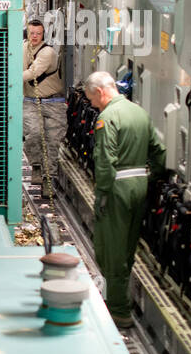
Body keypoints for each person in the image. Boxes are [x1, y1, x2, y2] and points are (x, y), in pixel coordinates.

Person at [85, 69, 166, 329]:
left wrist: (102, 195)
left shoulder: (107, 118)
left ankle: (118, 311)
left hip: (116, 188)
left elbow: (105, 161)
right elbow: (159, 153)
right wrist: (148, 177)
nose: (91, 104)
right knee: (128, 247)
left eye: (91, 99)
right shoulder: (140, 113)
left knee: (111, 250)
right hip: (139, 184)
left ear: (100, 91)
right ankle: (117, 298)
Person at [23, 18, 66, 195]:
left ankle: (48, 180)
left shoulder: (48, 52)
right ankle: (36, 167)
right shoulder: (22, 48)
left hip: (53, 104)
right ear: (27, 33)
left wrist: (8, 76)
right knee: (32, 133)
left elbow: (33, 73)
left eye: (38, 33)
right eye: (32, 33)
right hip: (31, 101)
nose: (35, 36)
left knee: (52, 142)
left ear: (43, 35)